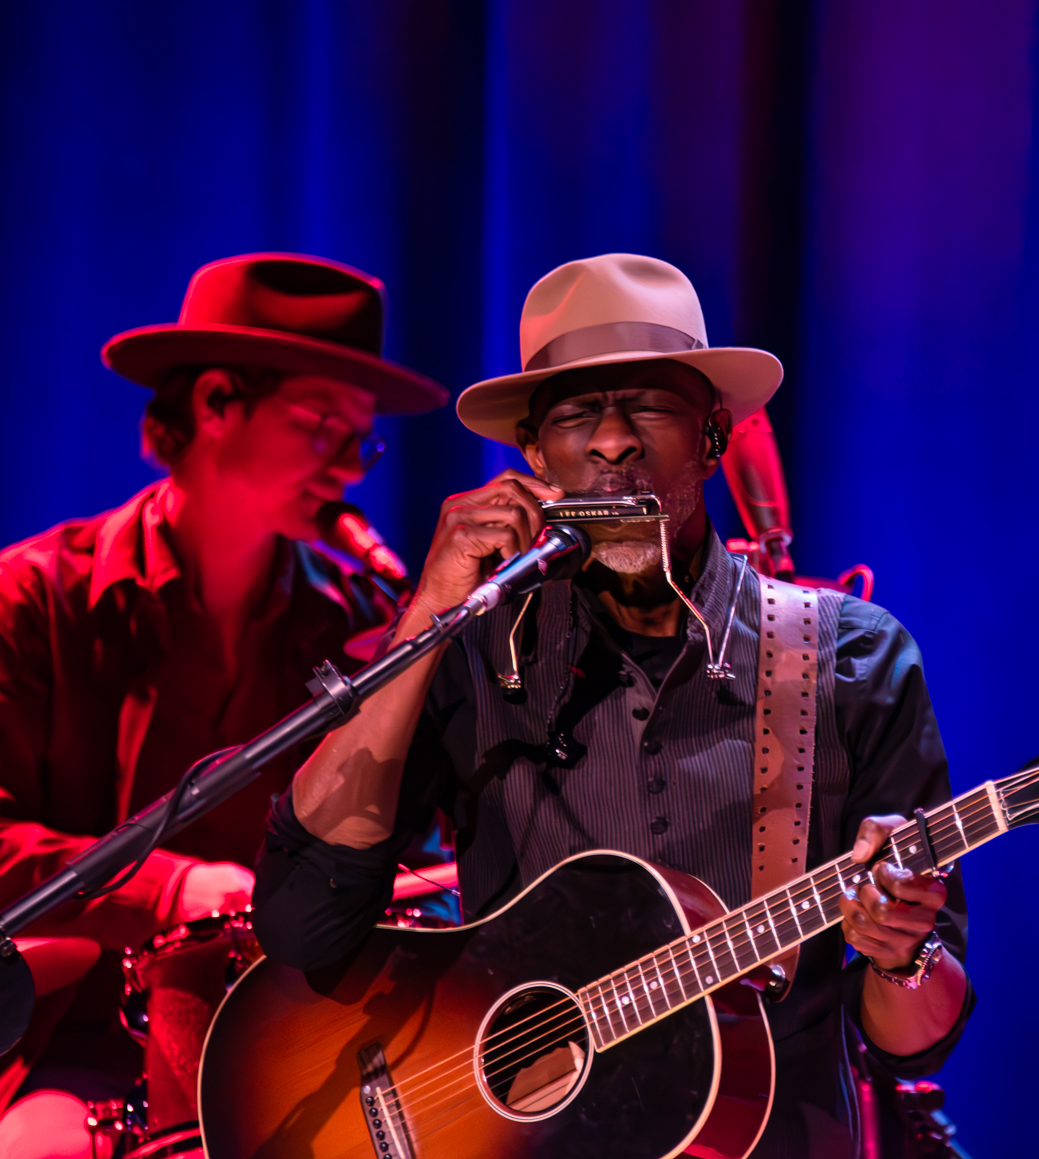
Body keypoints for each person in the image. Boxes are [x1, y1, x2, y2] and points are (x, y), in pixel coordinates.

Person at [253, 253, 973, 1157]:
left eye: (650, 407)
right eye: (576, 414)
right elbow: (299, 921)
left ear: (713, 436)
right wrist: (429, 613)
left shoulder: (849, 658)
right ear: (534, 455)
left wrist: (902, 950)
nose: (612, 441)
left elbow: (917, 1034)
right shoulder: (476, 645)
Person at [0, 253, 448, 1153]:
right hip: (75, 1041)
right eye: (321, 424)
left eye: (360, 440)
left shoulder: (364, 621)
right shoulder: (34, 598)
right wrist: (172, 888)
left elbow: (418, 856)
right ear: (213, 404)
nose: (349, 468)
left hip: (304, 1048)